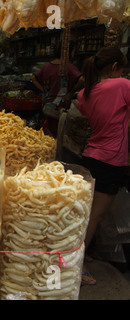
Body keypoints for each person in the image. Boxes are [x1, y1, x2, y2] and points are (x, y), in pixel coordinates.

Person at [76, 46, 130, 285]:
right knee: (94, 216)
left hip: (91, 156)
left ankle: (82, 252)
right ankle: (77, 263)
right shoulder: (122, 85)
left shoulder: (83, 94)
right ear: (116, 67)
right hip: (111, 159)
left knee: (88, 214)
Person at [32, 42, 84, 136]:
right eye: (72, 52)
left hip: (46, 105)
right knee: (59, 132)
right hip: (61, 107)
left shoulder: (47, 66)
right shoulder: (68, 66)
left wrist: (43, 90)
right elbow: (82, 80)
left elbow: (34, 79)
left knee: (48, 131)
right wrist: (71, 92)